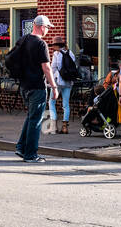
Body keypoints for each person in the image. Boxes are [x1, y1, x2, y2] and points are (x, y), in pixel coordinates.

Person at [14, 16, 58, 163]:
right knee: (36, 120)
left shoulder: (23, 40)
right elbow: (46, 67)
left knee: (30, 117)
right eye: (47, 27)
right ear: (42, 26)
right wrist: (54, 86)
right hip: (37, 86)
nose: (47, 30)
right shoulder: (41, 44)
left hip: (24, 86)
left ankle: (21, 147)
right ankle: (31, 154)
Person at [49, 40, 76, 134]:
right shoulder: (70, 53)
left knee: (51, 102)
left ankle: (53, 127)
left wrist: (50, 79)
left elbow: (53, 68)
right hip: (68, 81)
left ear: (57, 46)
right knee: (66, 105)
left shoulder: (56, 54)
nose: (53, 47)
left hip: (58, 81)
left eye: (54, 45)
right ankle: (65, 127)